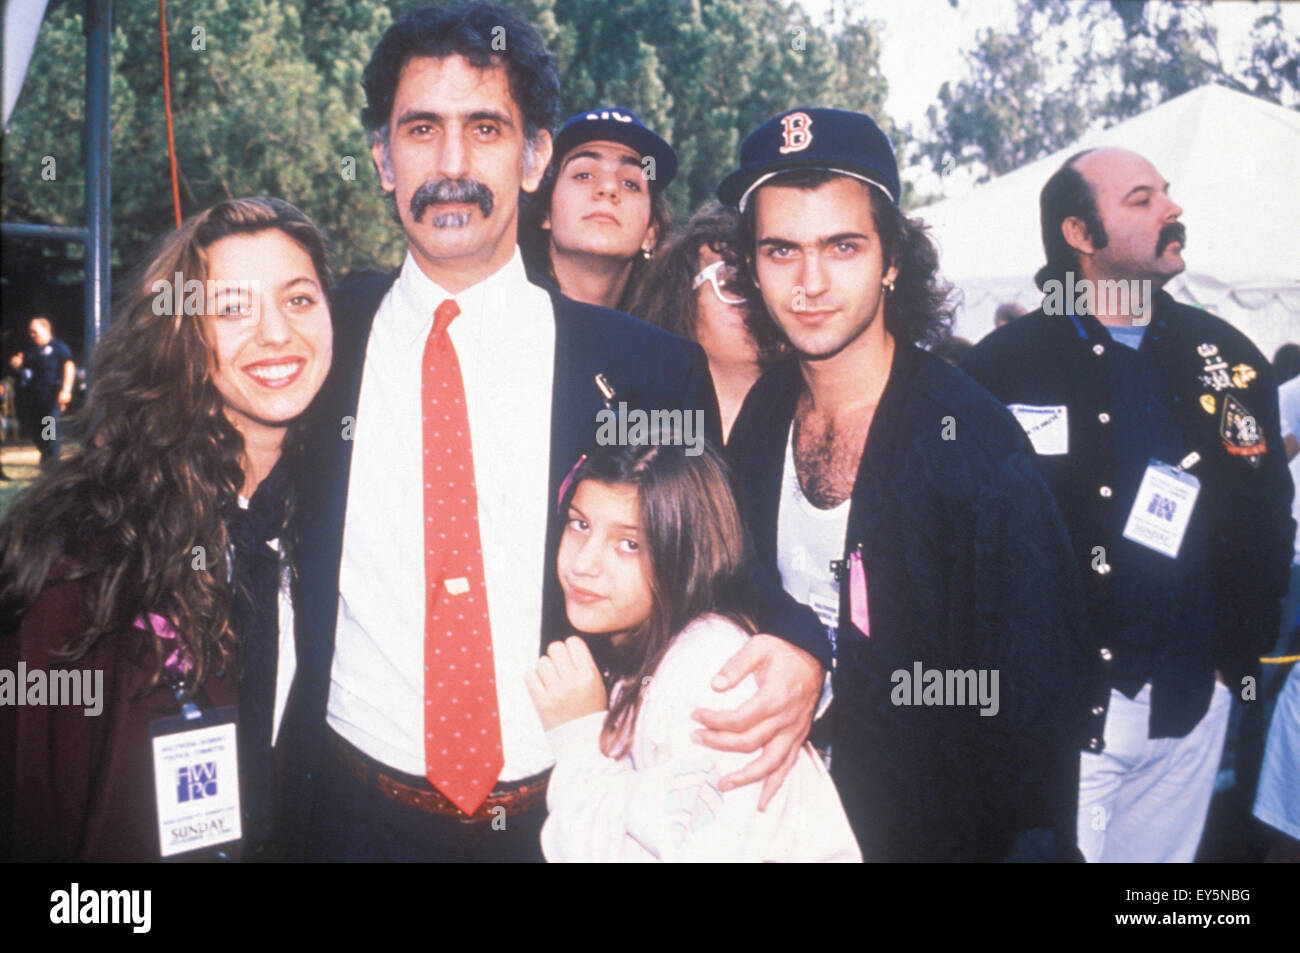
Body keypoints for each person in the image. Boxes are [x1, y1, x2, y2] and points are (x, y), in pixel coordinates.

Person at [280, 2, 825, 863]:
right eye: (421, 129)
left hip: (564, 825)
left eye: (485, 128)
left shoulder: (645, 369)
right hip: (346, 820)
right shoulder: (315, 341)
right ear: (383, 158)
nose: (452, 166)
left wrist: (801, 647)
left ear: (533, 156)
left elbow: (722, 570)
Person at [719, 107, 1090, 861]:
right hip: (778, 820)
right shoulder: (763, 414)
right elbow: (736, 579)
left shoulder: (972, 447)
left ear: (892, 258)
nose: (810, 282)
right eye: (781, 250)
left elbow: (1028, 713)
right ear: (752, 268)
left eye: (843, 246)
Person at [962, 147, 1294, 862]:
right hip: (1062, 719)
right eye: (1141, 200)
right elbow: (963, 542)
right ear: (1080, 234)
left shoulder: (1228, 358)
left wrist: (1232, 657)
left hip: (1190, 706)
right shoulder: (998, 368)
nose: (1172, 210)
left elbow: (1268, 512)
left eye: (1166, 193)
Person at [0, 196, 333, 861]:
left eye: (298, 300)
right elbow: (34, 803)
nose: (276, 334)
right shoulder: (87, 544)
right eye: (233, 307)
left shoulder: (335, 517)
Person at [529, 439, 861, 861]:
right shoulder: (639, 647)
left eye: (629, 544)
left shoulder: (713, 675)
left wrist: (579, 738)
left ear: (689, 556)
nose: (583, 564)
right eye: (580, 524)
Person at [629, 201, 785, 442]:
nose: (758, 300)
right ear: (680, 299)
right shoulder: (644, 432)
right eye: (732, 282)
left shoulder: (806, 430)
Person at [519, 107, 675, 311]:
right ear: (546, 212)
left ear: (651, 233)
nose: (608, 188)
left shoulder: (662, 342)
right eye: (583, 175)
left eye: (630, 183)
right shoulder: (491, 319)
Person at [8, 317, 74, 473]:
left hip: (51, 398)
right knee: (37, 433)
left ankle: (51, 465)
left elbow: (69, 367)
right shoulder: (29, 350)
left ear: (46, 329)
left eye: (34, 331)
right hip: (33, 399)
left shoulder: (59, 348)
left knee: (49, 429)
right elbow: (21, 368)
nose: (31, 335)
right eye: (30, 332)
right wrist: (15, 364)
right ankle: (47, 456)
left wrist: (66, 389)